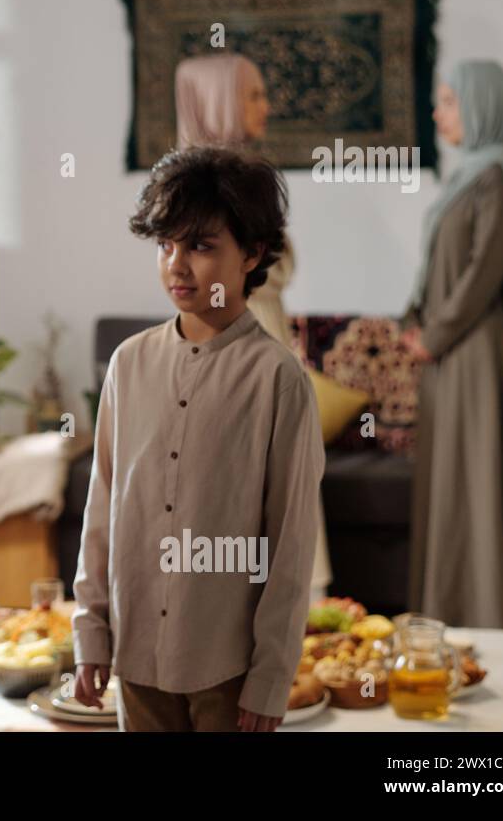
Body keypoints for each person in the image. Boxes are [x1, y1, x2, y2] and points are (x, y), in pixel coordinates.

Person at [71, 147, 323, 731]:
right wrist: (91, 630)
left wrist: (270, 678)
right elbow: (101, 510)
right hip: (135, 662)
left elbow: (290, 544)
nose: (176, 266)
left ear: (253, 253)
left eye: (201, 246)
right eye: (166, 245)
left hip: (227, 672)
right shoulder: (128, 365)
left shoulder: (279, 380)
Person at [174, 52, 331, 602]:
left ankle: (283, 615)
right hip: (235, 333)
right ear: (219, 100)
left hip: (259, 328)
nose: (267, 106)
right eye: (254, 94)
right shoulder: (207, 188)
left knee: (275, 468)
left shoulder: (242, 178)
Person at [401, 60, 503, 634]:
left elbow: (486, 270)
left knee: (476, 477)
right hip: (450, 353)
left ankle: (486, 619)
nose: (438, 113)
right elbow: (439, 267)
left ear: (482, 104)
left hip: (477, 354)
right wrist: (415, 321)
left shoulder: (498, 174)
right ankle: (447, 616)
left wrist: (433, 335)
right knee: (452, 479)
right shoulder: (469, 174)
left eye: (450, 101)